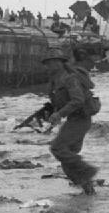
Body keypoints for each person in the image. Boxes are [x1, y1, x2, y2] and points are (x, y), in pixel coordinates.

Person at [42, 49, 99, 195]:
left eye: (50, 63)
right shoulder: (55, 81)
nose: (47, 67)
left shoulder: (70, 78)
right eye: (46, 64)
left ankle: (87, 170)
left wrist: (59, 114)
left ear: (59, 63)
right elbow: (61, 101)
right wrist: (53, 112)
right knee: (66, 159)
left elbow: (78, 100)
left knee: (57, 148)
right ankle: (88, 190)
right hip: (73, 119)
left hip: (81, 120)